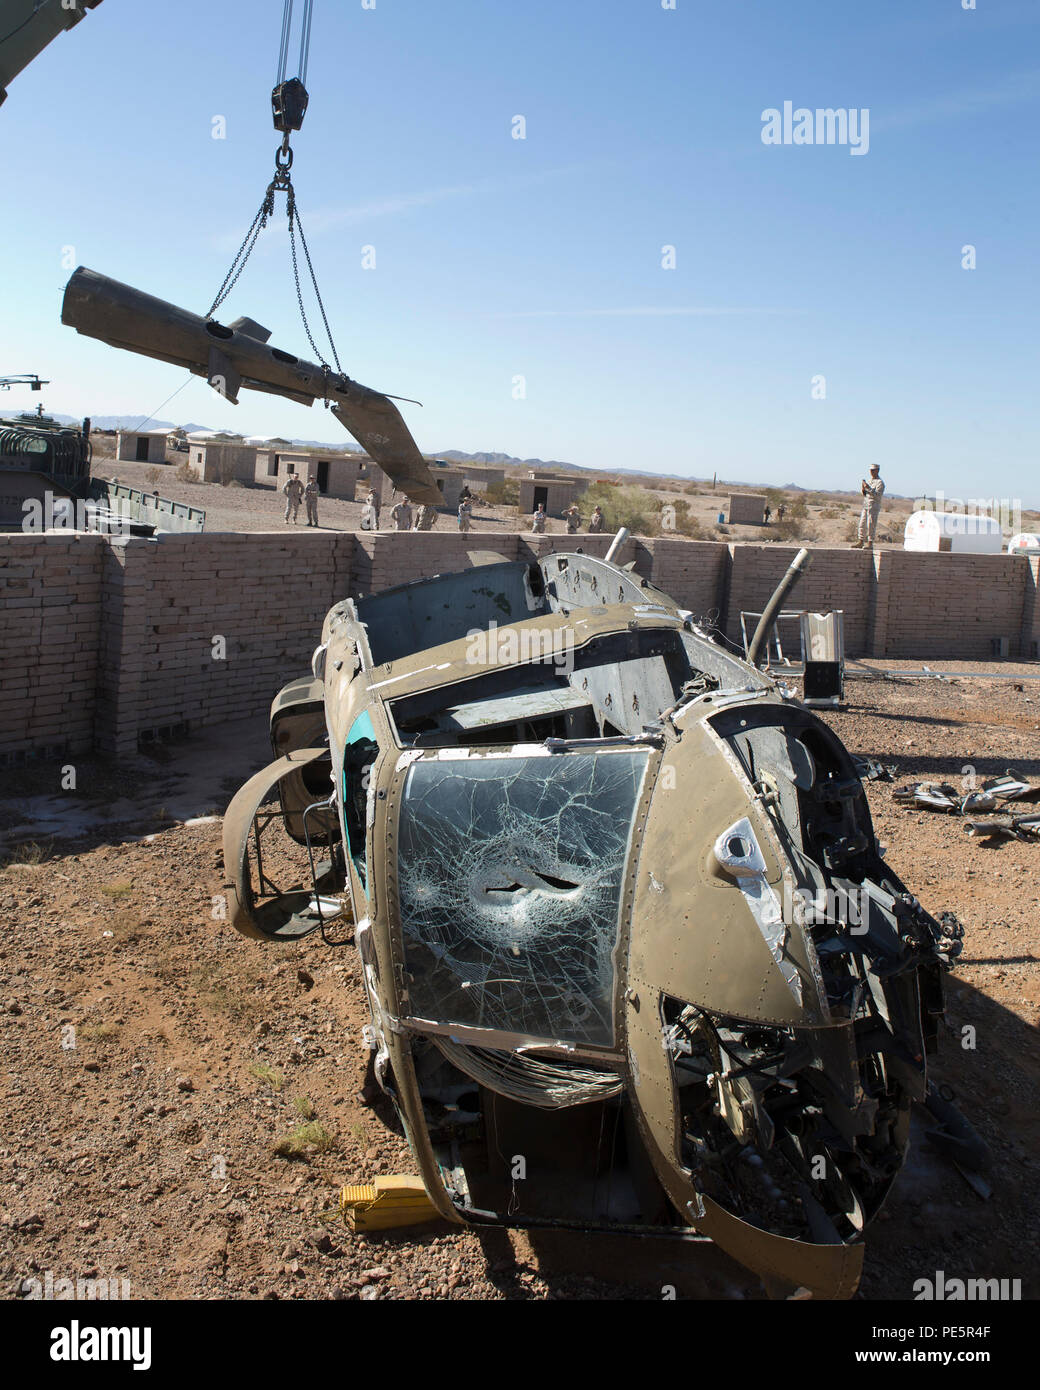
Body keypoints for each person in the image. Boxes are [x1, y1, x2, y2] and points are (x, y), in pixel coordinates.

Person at [853, 465, 885, 548]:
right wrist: (863, 488)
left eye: (873, 470)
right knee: (862, 523)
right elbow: (864, 494)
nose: (871, 472)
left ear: (877, 470)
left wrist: (868, 488)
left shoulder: (880, 482)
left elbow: (877, 495)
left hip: (873, 505)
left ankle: (870, 543)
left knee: (871, 524)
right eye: (870, 470)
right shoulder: (869, 480)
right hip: (866, 504)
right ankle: (861, 541)